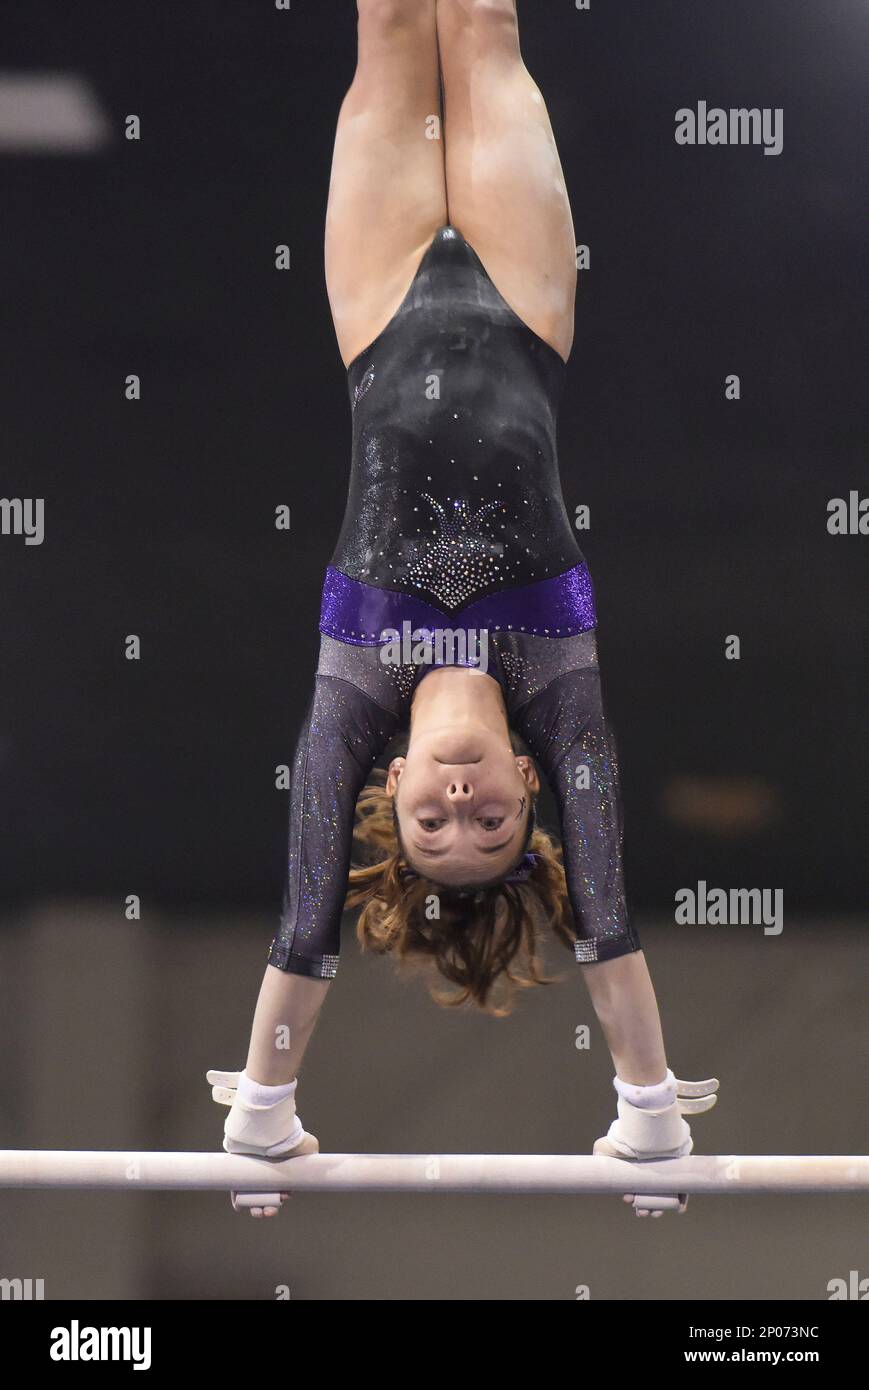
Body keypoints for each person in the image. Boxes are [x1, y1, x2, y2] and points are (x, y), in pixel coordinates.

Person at [208, 0, 717, 1219]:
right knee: (481, 23)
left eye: (432, 826)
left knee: (390, 22)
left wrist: (262, 1113)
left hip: (377, 310)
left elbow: (300, 928)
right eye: (487, 823)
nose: (456, 804)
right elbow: (605, 926)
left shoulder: (354, 696)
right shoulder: (559, 695)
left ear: (388, 796)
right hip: (524, 306)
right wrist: (644, 1112)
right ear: (528, 789)